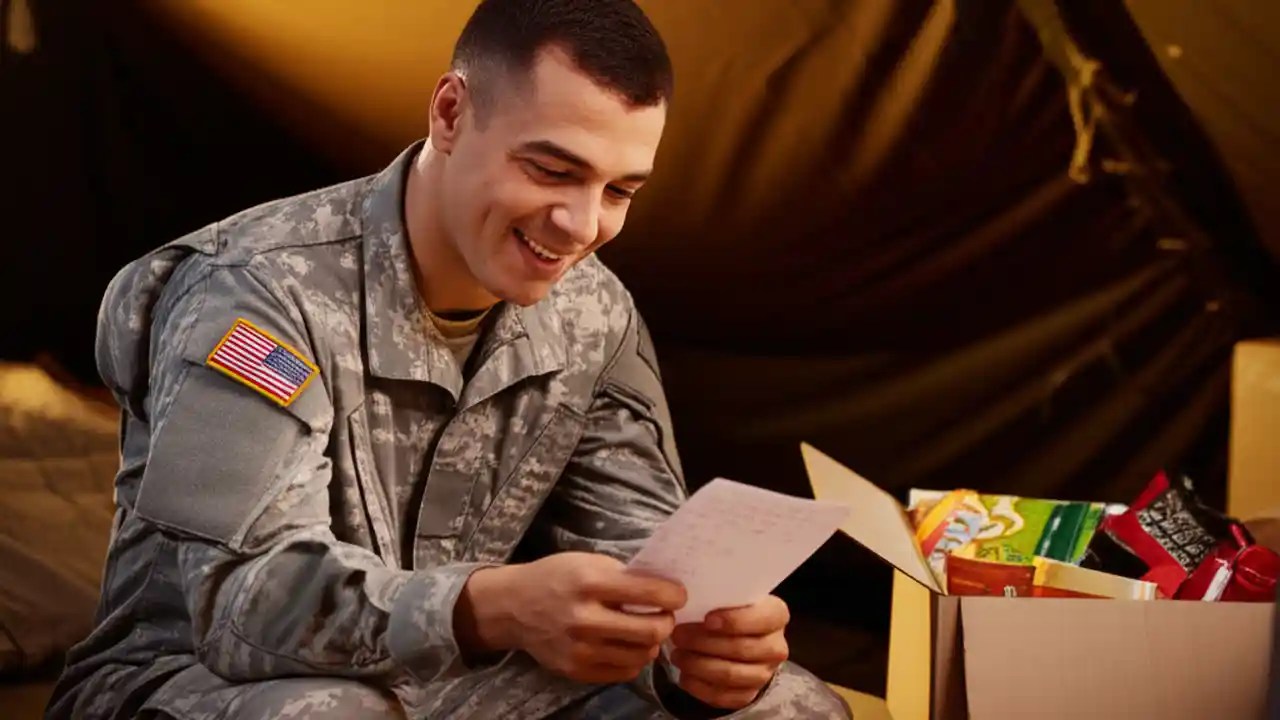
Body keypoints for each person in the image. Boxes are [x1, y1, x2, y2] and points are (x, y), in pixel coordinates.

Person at [46, 0, 850, 718]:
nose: (582, 225)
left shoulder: (596, 313)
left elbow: (641, 556)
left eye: (620, 192)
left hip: (457, 684)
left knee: (791, 705)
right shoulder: (257, 292)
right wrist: (487, 608)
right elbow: (237, 605)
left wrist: (695, 649)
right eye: (552, 170)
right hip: (198, 682)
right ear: (451, 112)